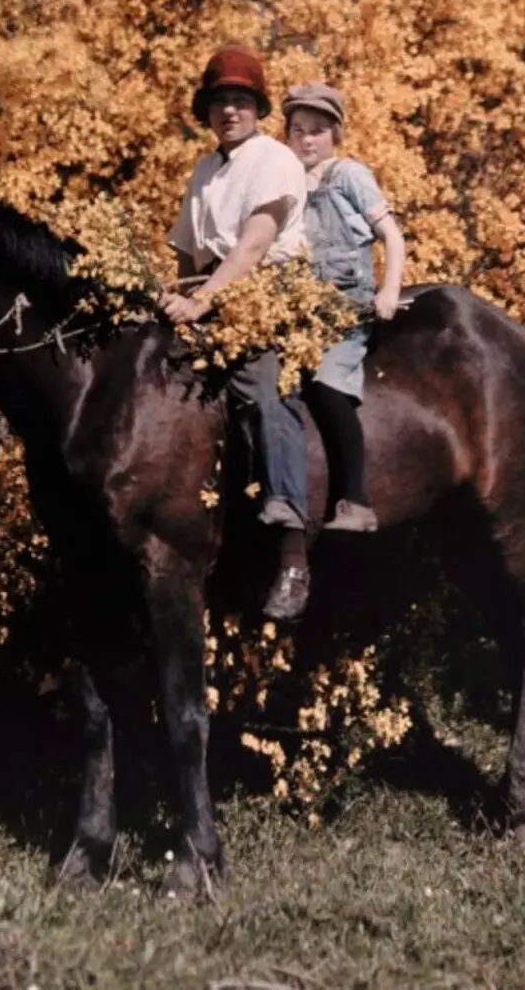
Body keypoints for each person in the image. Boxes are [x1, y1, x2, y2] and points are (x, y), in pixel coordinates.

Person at [164, 45, 312, 622]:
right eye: (221, 101)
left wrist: (201, 300)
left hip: (264, 292)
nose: (230, 111)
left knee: (265, 387)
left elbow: (253, 245)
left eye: (241, 101)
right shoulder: (205, 170)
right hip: (210, 293)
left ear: (258, 108)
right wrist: (176, 298)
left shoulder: (273, 160)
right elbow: (186, 251)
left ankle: (293, 549)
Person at [283, 82, 406, 533]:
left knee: (328, 387)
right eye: (298, 130)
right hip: (300, 314)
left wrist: (388, 291)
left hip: (347, 312)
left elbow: (393, 236)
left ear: (335, 133)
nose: (307, 139)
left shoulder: (350, 175)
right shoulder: (289, 185)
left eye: (317, 130)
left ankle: (356, 500)